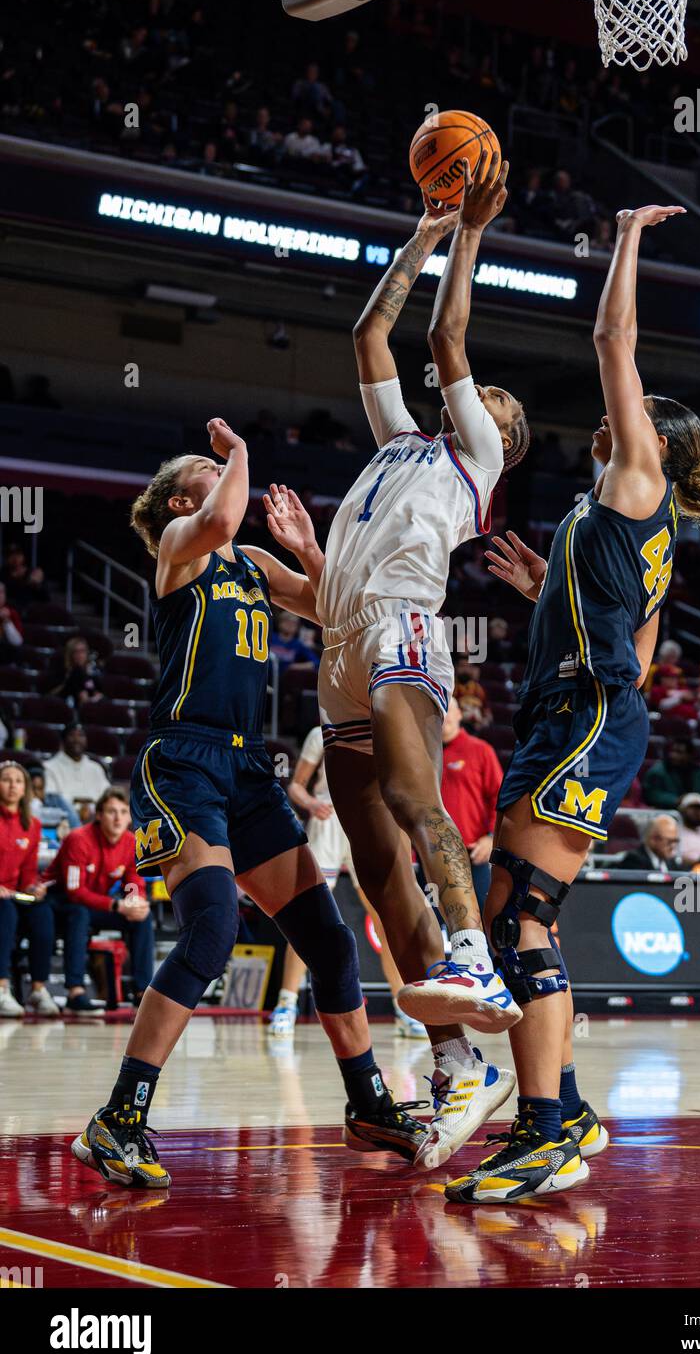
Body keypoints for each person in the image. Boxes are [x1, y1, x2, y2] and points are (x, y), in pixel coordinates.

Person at [442, 202, 700, 1204]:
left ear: (653, 436)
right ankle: (563, 1105)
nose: (615, 412)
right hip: (572, 709)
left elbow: (612, 336)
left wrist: (627, 237)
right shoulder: (596, 517)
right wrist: (542, 596)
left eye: (636, 411)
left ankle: (545, 1128)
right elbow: (634, 648)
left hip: (589, 719)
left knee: (521, 916)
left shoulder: (636, 476)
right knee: (501, 910)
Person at [71, 418, 426, 1192]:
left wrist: (306, 548)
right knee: (213, 928)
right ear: (175, 503)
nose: (220, 467)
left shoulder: (257, 565)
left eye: (218, 460)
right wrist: (238, 453)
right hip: (183, 761)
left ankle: (368, 1102)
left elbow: (340, 611)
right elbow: (225, 516)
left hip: (248, 770)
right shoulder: (180, 550)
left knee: (331, 946)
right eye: (202, 464)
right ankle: (120, 1117)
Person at [268, 156, 527, 1172]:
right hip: (336, 641)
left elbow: (442, 336)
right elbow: (371, 333)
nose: (480, 392)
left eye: (494, 398)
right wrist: (417, 235)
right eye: (481, 393)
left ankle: (475, 962)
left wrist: (468, 231)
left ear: (499, 435)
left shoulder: (475, 455)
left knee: (420, 800)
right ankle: (457, 1059)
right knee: (375, 871)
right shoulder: (400, 442)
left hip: (400, 624)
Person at [273, 723, 426, 1039]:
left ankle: (404, 1008)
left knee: (385, 921)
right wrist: (313, 804)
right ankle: (286, 1005)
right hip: (328, 823)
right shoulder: (320, 733)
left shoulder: (387, 728)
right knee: (309, 919)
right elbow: (296, 786)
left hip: (369, 821)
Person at [46, 788, 154, 1015]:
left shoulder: (131, 842)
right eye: (111, 811)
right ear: (99, 815)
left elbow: (134, 881)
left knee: (143, 918)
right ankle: (75, 991)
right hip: (58, 901)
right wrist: (116, 905)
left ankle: (143, 992)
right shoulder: (79, 839)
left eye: (123, 812)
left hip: (97, 903)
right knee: (79, 913)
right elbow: (75, 892)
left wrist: (135, 900)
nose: (118, 818)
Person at [0, 761, 58, 1018]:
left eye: (18, 781)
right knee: (5, 912)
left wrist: (34, 887)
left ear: (25, 789)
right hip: (2, 900)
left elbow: (26, 872)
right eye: (6, 779)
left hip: (14, 894)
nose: (13, 786)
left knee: (42, 912)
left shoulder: (32, 825)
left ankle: (38, 989)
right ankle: (1, 988)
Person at [439, 697, 503, 908]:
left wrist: (491, 837)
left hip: (472, 854)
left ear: (459, 714)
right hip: (432, 853)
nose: (443, 716)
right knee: (432, 923)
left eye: (448, 710)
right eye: (438, 711)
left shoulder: (481, 750)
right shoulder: (423, 754)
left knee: (482, 917)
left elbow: (500, 796)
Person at [43, 725, 110, 815]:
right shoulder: (49, 767)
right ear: (63, 741)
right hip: (65, 820)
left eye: (81, 735)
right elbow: (52, 801)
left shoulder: (96, 768)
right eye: (72, 735)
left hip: (98, 819)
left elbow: (108, 796)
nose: (77, 740)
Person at [641, 737, 700, 810]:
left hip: (696, 814)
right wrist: (677, 800)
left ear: (689, 755)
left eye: (679, 752)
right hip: (667, 812)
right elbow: (651, 794)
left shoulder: (699, 773)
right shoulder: (658, 771)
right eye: (672, 751)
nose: (673, 755)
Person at [45, 635, 104, 707]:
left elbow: (98, 692)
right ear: (70, 654)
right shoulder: (62, 671)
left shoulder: (92, 672)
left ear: (87, 652)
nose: (80, 655)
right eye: (76, 652)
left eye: (82, 651)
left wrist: (95, 697)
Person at [619, 814, 689, 872]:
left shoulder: (671, 862)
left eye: (675, 841)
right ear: (653, 840)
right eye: (669, 842)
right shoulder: (634, 860)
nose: (673, 846)